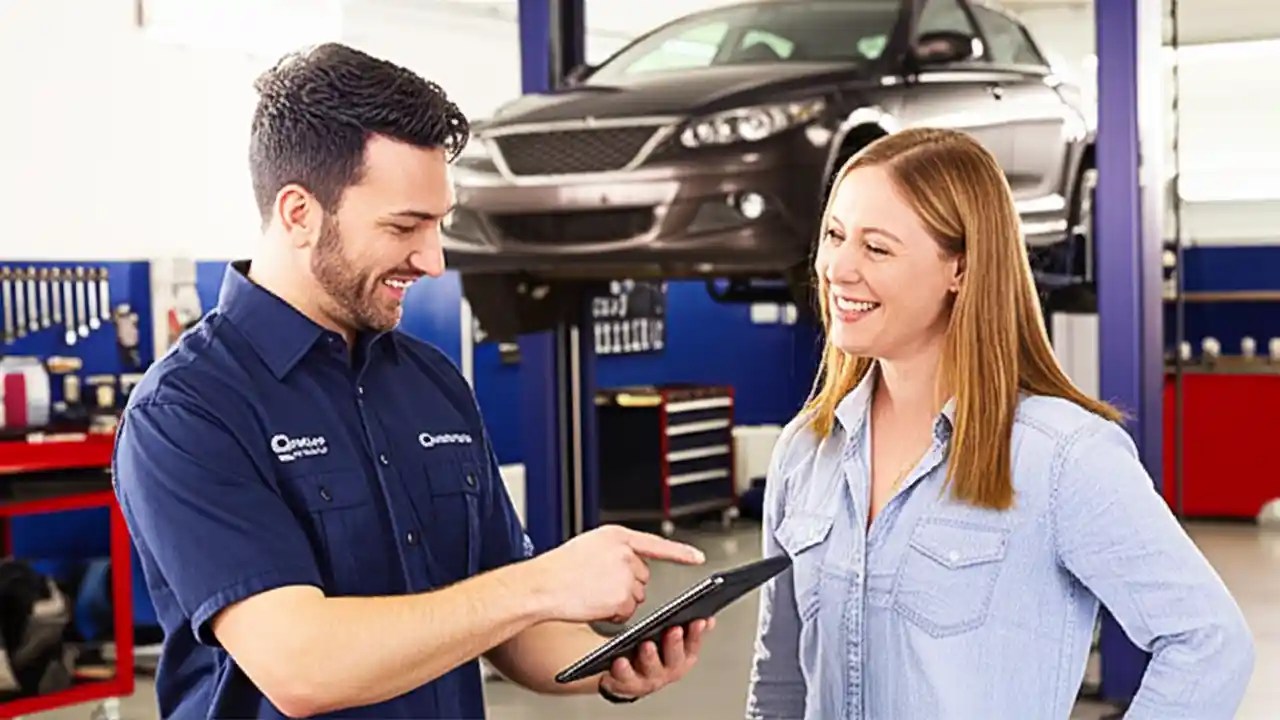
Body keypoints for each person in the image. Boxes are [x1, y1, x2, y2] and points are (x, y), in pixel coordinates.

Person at [113, 43, 714, 719]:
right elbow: (300, 667)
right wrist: (540, 584)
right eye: (405, 226)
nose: (432, 260)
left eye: (439, 225)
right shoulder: (188, 411)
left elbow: (512, 629)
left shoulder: (432, 382)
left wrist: (611, 663)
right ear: (298, 213)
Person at [744, 128, 1254, 719]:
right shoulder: (806, 451)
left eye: (877, 248)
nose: (839, 269)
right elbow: (780, 684)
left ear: (959, 269)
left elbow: (1209, 643)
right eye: (835, 235)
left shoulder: (1063, 457)